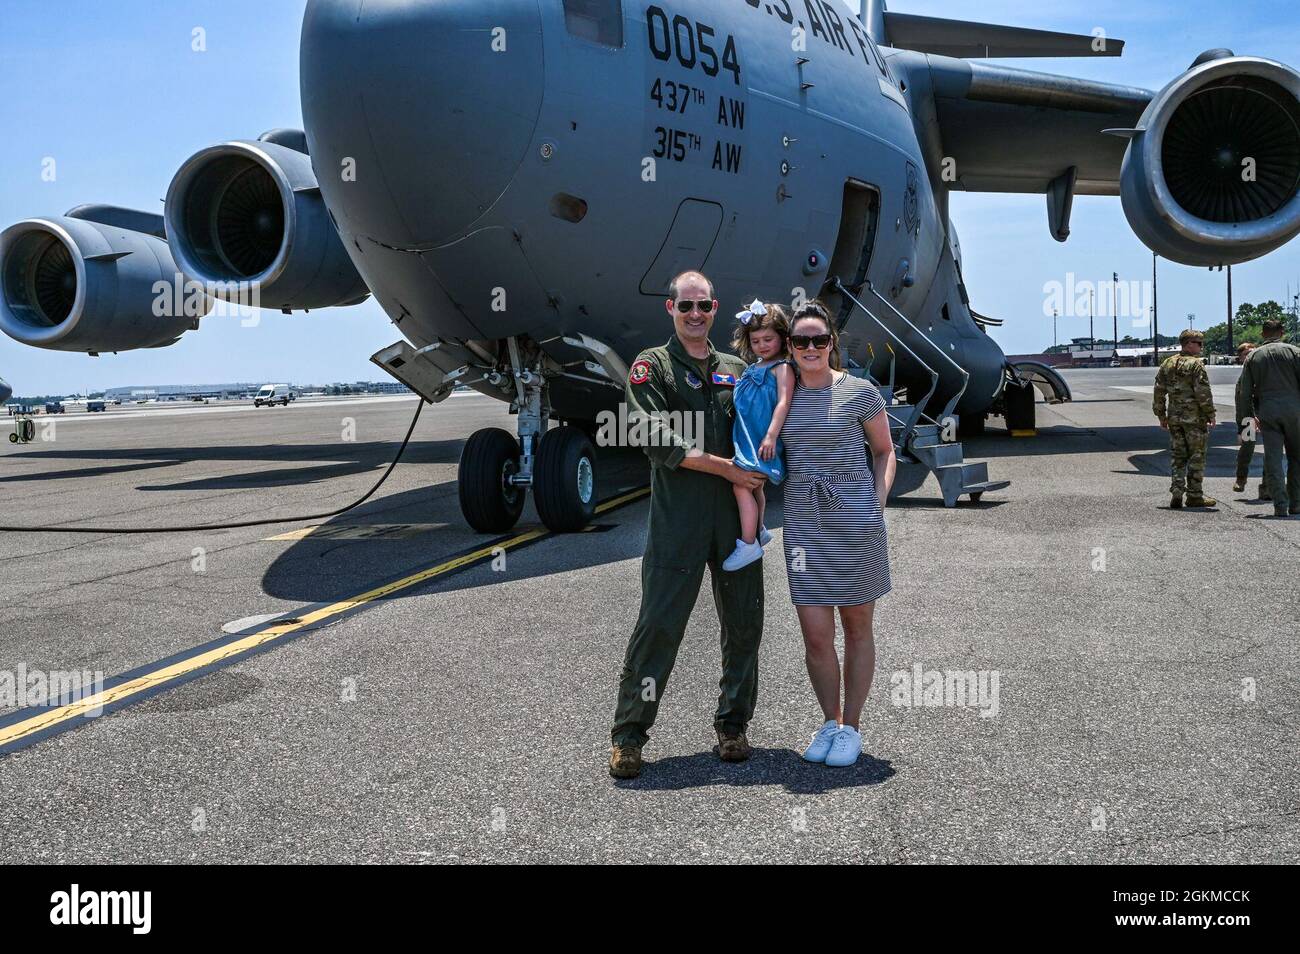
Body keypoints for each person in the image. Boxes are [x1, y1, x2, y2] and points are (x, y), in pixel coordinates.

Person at [608, 270, 766, 779]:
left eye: (704, 306)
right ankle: (629, 735)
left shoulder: (737, 369)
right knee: (659, 625)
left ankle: (733, 725)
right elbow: (651, 434)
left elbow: (767, 421)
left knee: (744, 624)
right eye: (686, 307)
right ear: (670, 310)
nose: (696, 315)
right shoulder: (652, 367)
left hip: (734, 522)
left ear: (716, 310)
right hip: (678, 518)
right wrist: (724, 467)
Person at [779, 300, 896, 768]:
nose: (811, 347)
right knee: (815, 636)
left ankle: (852, 726)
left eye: (819, 340)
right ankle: (829, 721)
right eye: (801, 340)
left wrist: (876, 505)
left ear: (831, 344)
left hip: (854, 522)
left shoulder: (860, 392)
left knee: (857, 627)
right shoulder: (780, 393)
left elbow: (885, 452)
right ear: (790, 346)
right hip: (805, 525)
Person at [722, 300, 796, 572]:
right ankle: (760, 528)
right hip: (751, 438)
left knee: (741, 486)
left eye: (768, 339)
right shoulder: (754, 368)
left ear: (782, 338)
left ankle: (748, 543)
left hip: (763, 440)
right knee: (756, 487)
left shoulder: (782, 368)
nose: (762, 345)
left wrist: (771, 436)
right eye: (755, 341)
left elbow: (784, 403)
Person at [1238, 318, 1300, 517]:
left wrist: (1245, 422)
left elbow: (1244, 394)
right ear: (1282, 332)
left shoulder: (1253, 357)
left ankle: (1280, 505)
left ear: (1263, 334)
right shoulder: (1295, 352)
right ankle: (1296, 503)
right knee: (1296, 458)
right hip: (1295, 411)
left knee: (1272, 458)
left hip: (1268, 412)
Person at [1153, 329, 1217, 509]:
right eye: (1199, 343)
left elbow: (1159, 390)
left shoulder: (1167, 363)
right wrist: (1210, 413)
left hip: (1175, 418)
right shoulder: (1196, 365)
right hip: (1194, 419)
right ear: (1188, 343)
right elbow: (1202, 392)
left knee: (1178, 456)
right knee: (1197, 456)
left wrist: (1161, 414)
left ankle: (1177, 492)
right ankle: (1195, 495)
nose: (1201, 347)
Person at [1233, 342, 1271, 498]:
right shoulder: (1242, 379)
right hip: (1249, 416)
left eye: (1253, 352)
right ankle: (1241, 478)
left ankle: (1266, 487)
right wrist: (1240, 428)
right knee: (1247, 447)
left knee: (1270, 449)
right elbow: (1240, 404)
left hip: (1266, 413)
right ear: (1241, 357)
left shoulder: (1265, 372)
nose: (1250, 355)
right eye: (1247, 353)